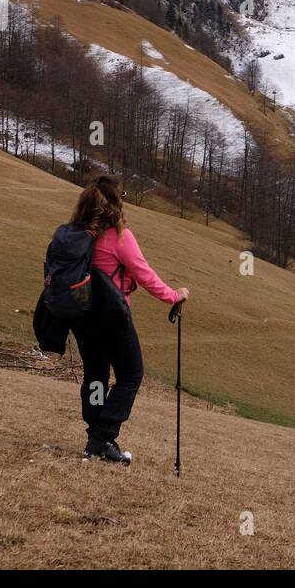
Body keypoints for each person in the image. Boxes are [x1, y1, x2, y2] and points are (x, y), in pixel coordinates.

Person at [67, 175, 189, 465]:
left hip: (82, 315)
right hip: (111, 316)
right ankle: (102, 437)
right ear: (114, 203)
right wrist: (174, 295)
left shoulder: (78, 234)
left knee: (96, 376)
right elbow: (144, 273)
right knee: (131, 374)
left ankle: (94, 439)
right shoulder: (118, 237)